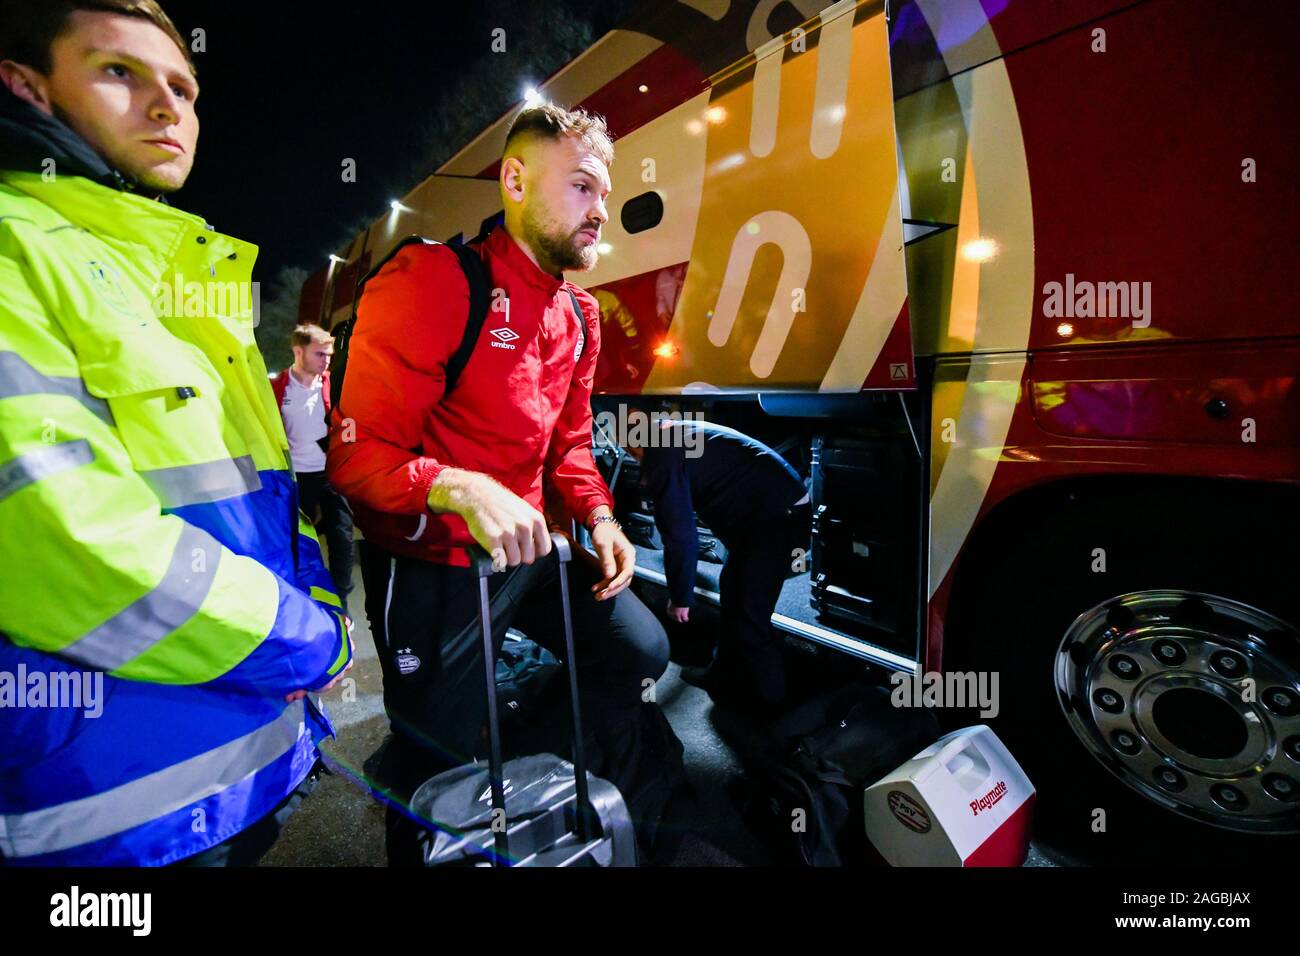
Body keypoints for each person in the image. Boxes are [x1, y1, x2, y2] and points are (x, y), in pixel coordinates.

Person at [0, 0, 351, 866]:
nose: (167, 107)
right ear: (27, 88)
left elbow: (262, 498)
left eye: (184, 88)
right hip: (120, 817)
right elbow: (73, 545)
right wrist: (309, 640)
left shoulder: (191, 279)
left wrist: (326, 607)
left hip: (249, 768)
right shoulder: (15, 250)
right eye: (119, 71)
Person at [327, 103, 684, 864]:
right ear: (515, 180)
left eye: (606, 195)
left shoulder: (581, 316)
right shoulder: (434, 280)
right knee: (436, 760)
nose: (601, 212)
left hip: (530, 555)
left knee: (642, 651)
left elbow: (572, 449)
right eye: (583, 188)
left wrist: (600, 520)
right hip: (436, 569)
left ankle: (530, 766)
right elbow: (355, 460)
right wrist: (461, 486)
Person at [628, 419, 809, 708]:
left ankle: (770, 704)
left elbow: (679, 535)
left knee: (750, 613)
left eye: (632, 452)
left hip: (776, 519)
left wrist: (680, 596)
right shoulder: (674, 432)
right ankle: (722, 675)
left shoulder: (661, 453)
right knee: (733, 591)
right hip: (770, 512)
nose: (635, 459)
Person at [272, 324, 355, 622]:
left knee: (342, 539)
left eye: (329, 355)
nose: (326, 360)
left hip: (331, 473)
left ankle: (342, 604)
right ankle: (300, 598)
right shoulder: (278, 388)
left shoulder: (333, 383)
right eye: (320, 354)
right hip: (297, 477)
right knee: (298, 540)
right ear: (298, 351)